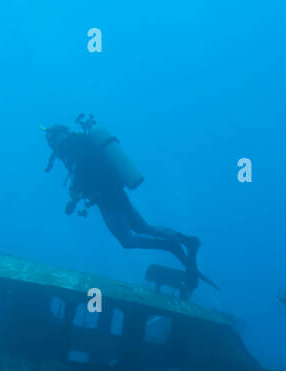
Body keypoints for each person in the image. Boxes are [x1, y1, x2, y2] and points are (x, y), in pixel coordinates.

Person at [43, 116, 203, 278]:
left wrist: (74, 196)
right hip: (115, 191)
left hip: (106, 198)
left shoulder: (71, 145)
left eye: (52, 140)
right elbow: (87, 168)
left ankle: (171, 245)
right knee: (144, 228)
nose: (52, 145)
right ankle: (186, 240)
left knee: (127, 240)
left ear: (60, 135)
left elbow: (80, 168)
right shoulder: (81, 142)